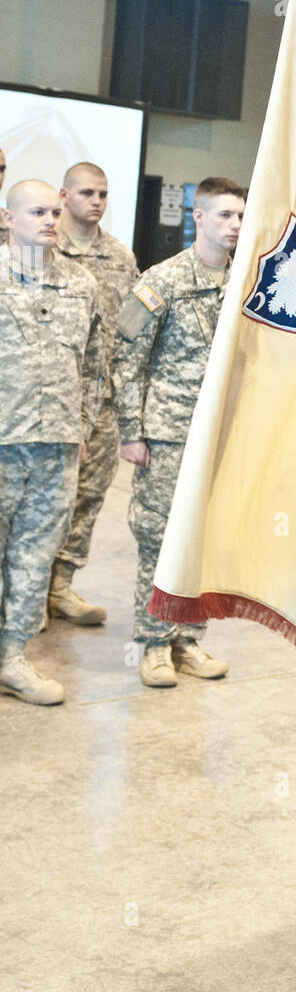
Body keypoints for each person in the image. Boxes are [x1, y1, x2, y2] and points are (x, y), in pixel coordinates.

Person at [113, 176, 243, 688]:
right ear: (200, 218)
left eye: (240, 216)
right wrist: (132, 430)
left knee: (205, 542)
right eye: (225, 215)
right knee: (158, 539)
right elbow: (127, 357)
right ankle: (151, 644)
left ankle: (188, 639)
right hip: (168, 434)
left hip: (220, 438)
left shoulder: (243, 286)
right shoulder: (161, 281)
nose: (235, 225)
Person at [0, 181, 102, 706]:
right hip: (3, 441)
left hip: (55, 448)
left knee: (34, 556)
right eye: (37, 211)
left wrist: (81, 429)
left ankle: (12, 658)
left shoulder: (81, 285)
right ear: (7, 218)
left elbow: (92, 367)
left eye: (54, 212)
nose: (49, 220)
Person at [47, 163, 138, 625]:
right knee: (44, 498)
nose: (97, 201)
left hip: (103, 404)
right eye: (87, 192)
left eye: (103, 193)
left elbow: (132, 330)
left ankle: (60, 586)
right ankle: (25, 591)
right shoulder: (41, 249)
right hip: (51, 401)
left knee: (89, 497)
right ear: (65, 195)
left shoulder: (120, 258)